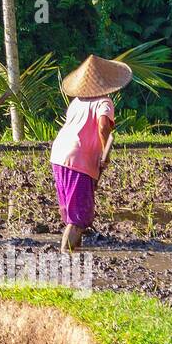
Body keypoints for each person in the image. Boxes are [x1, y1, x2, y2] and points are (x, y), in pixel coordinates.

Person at [50, 55, 133, 253]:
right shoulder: (104, 102)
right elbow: (104, 126)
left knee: (73, 211)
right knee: (79, 216)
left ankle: (74, 250)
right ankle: (66, 255)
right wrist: (105, 152)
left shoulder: (77, 102)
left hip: (60, 155)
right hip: (78, 158)